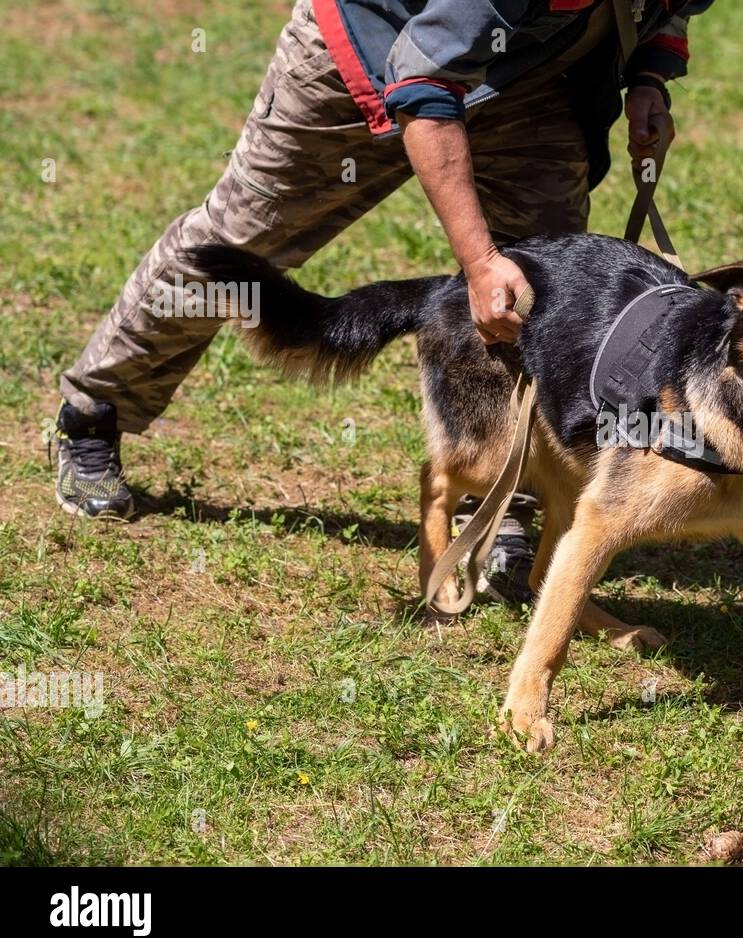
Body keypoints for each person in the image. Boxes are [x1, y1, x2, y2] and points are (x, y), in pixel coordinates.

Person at [51, 0, 707, 603]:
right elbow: (424, 84)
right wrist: (479, 263)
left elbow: (658, 11)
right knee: (238, 244)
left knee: (538, 276)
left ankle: (503, 496)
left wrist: (648, 78)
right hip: (361, 50)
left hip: (523, 73)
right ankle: (93, 410)